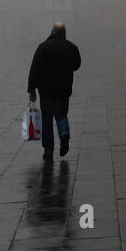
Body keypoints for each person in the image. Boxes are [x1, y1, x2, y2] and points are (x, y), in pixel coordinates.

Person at [27, 22, 82, 161]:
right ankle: (64, 133)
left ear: (52, 32)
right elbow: (77, 65)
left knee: (47, 120)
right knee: (61, 115)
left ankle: (48, 150)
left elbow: (34, 69)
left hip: (45, 91)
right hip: (63, 89)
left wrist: (31, 89)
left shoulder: (43, 48)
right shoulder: (71, 47)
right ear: (64, 32)